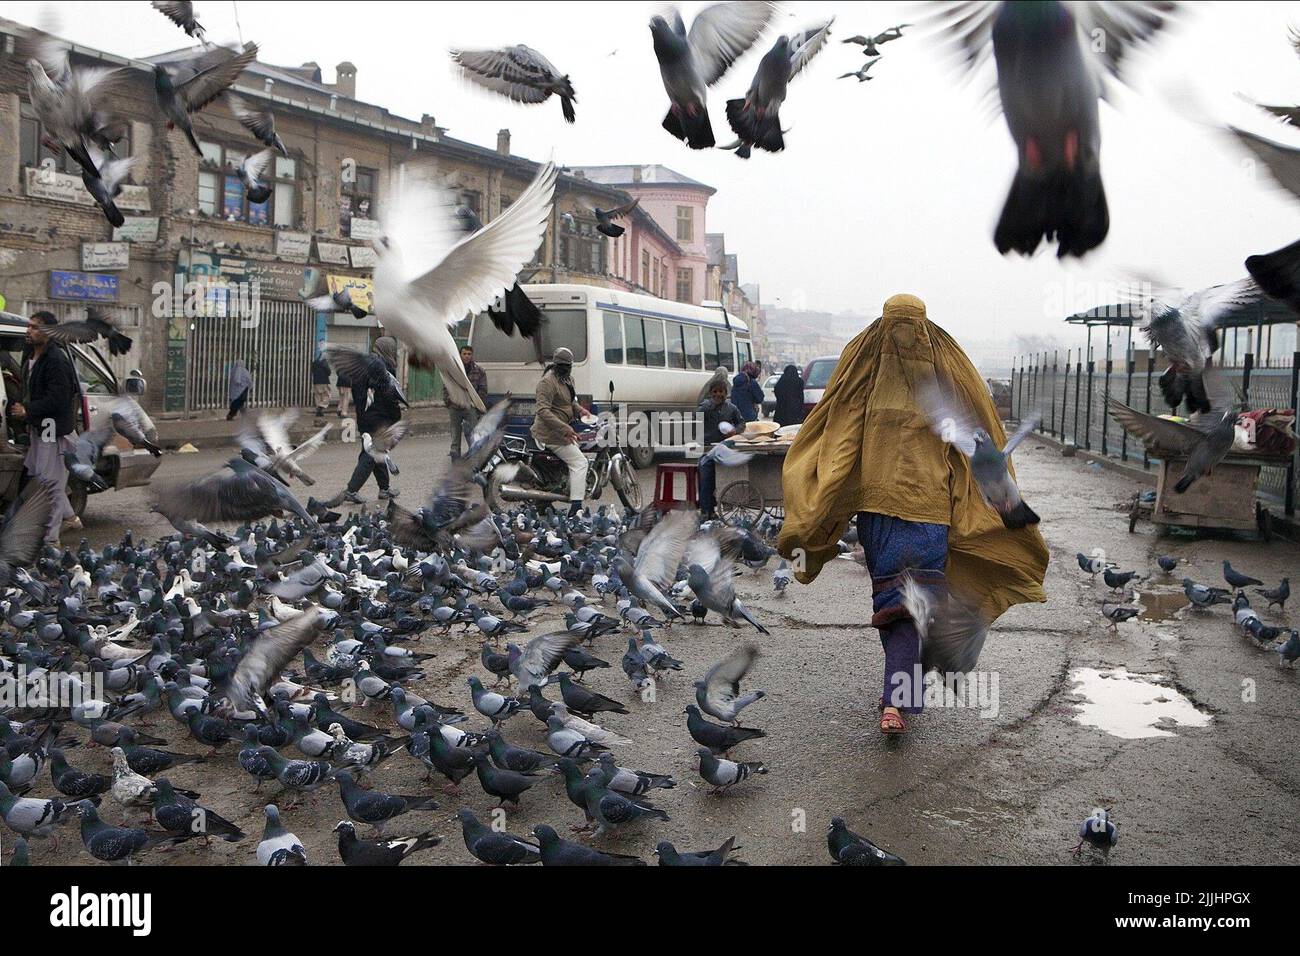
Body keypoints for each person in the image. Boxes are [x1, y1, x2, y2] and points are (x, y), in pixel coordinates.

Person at [778, 294, 1048, 737]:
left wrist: (825, 494)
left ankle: (896, 699)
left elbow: (837, 439)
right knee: (911, 605)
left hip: (880, 517)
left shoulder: (861, 371)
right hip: (929, 517)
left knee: (898, 605)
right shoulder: (944, 369)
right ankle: (904, 688)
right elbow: (978, 443)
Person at [10, 311, 80, 542]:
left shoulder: (56, 360)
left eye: (35, 327)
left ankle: (50, 539)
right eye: (29, 326)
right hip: (39, 426)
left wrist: (28, 409)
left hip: (52, 427)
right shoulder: (30, 353)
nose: (29, 331)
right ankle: (70, 517)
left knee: (48, 482)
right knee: (44, 477)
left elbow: (58, 399)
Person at [329, 336, 402, 505]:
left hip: (364, 415)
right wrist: (396, 416)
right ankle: (352, 490)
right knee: (371, 455)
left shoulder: (364, 365)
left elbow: (356, 388)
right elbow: (389, 395)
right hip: (379, 417)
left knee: (377, 452)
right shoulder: (384, 368)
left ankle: (384, 489)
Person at [531, 346, 587, 517]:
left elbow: (570, 403)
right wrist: (566, 429)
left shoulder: (568, 380)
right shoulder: (547, 382)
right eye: (563, 366)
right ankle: (576, 506)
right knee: (580, 462)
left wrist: (580, 411)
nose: (566, 369)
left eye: (568, 366)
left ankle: (544, 504)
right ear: (555, 365)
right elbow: (543, 411)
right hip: (550, 434)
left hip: (561, 432)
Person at [696, 379, 744, 520]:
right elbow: (696, 416)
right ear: (710, 393)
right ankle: (706, 510)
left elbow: (742, 423)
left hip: (724, 447)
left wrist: (735, 431)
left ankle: (719, 507)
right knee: (705, 477)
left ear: (726, 393)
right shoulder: (705, 407)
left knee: (725, 478)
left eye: (721, 392)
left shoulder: (732, 408)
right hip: (707, 448)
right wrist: (709, 407)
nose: (718, 394)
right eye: (715, 392)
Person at [449, 344, 488, 459]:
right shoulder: (454, 370)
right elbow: (447, 386)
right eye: (464, 354)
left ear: (472, 355)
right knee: (455, 436)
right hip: (455, 407)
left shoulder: (478, 371)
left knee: (473, 434)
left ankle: (475, 460)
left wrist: (475, 404)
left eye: (469, 354)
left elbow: (483, 389)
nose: (466, 356)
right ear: (460, 355)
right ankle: (455, 461)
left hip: (470, 407)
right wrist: (448, 401)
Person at [311, 349, 332, 420]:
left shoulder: (314, 362)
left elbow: (312, 371)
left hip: (316, 382)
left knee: (318, 396)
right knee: (327, 396)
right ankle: (321, 406)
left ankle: (319, 412)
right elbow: (329, 372)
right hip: (324, 381)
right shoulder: (324, 362)